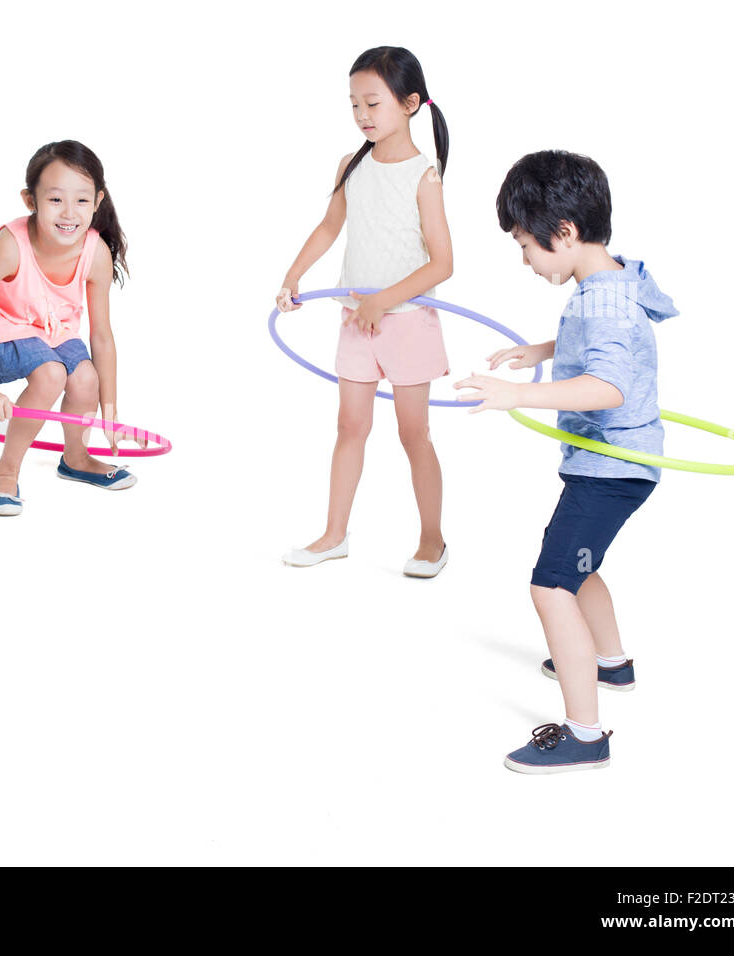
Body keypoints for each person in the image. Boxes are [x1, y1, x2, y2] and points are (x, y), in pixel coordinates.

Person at [455, 149, 678, 772]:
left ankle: (585, 736)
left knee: (551, 585)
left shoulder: (601, 302)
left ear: (566, 232)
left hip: (608, 471)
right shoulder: (610, 284)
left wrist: (519, 395)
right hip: (611, 468)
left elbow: (608, 386)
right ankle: (611, 663)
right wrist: (544, 350)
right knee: (580, 567)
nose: (525, 260)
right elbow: (606, 345)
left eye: (527, 245)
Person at [275, 46, 454, 576]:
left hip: (408, 324)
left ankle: (432, 539)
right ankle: (334, 535)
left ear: (410, 103)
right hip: (357, 319)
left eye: (372, 103)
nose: (362, 115)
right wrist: (293, 274)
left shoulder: (425, 175)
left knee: (412, 433)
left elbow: (443, 263)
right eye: (354, 104)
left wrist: (383, 298)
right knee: (349, 427)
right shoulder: (351, 165)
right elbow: (330, 227)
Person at [0, 140, 140, 517]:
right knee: (51, 374)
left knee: (84, 378)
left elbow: (101, 336)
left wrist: (110, 410)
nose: (69, 213)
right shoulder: (11, 247)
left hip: (47, 327)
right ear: (30, 201)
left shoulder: (95, 253)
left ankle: (76, 459)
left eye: (81, 201)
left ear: (98, 201)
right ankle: (7, 469)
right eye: (54, 200)